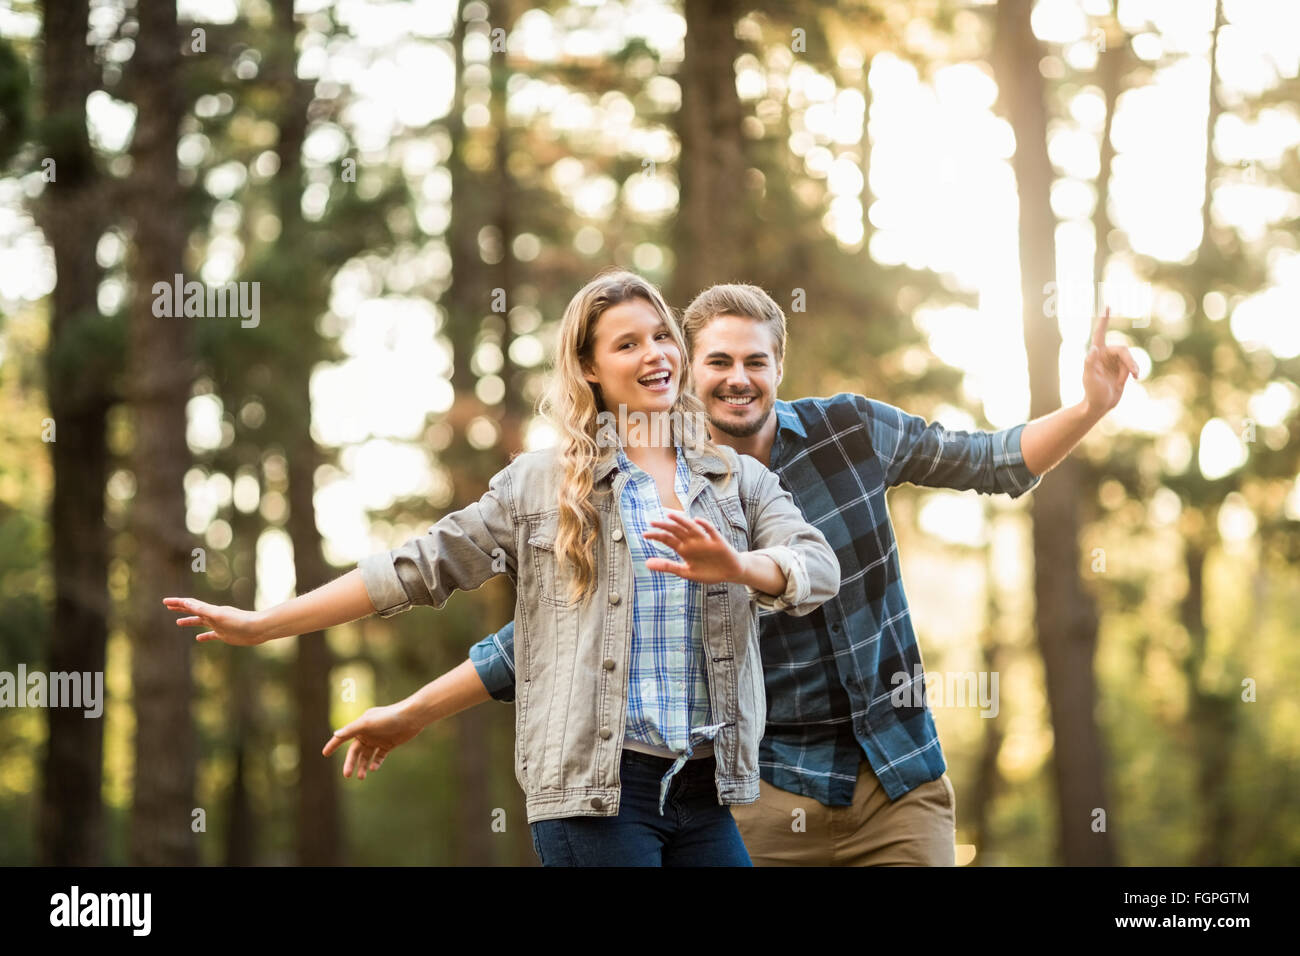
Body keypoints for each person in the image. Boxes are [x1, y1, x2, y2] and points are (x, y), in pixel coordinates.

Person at [328, 283, 1137, 866]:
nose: (737, 378)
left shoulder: (851, 431)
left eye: (755, 360)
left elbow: (992, 462)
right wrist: (410, 711)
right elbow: (534, 642)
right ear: (686, 369)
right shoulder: (655, 493)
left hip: (897, 777)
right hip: (762, 796)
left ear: (780, 365)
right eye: (718, 360)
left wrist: (1091, 407)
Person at [164, 270, 839, 867]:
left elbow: (816, 564)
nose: (655, 354)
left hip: (707, 791)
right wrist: (265, 624)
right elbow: (415, 567)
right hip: (595, 796)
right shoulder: (540, 486)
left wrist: (740, 566)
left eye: (662, 336)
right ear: (591, 369)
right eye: (626, 343)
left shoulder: (738, 482)